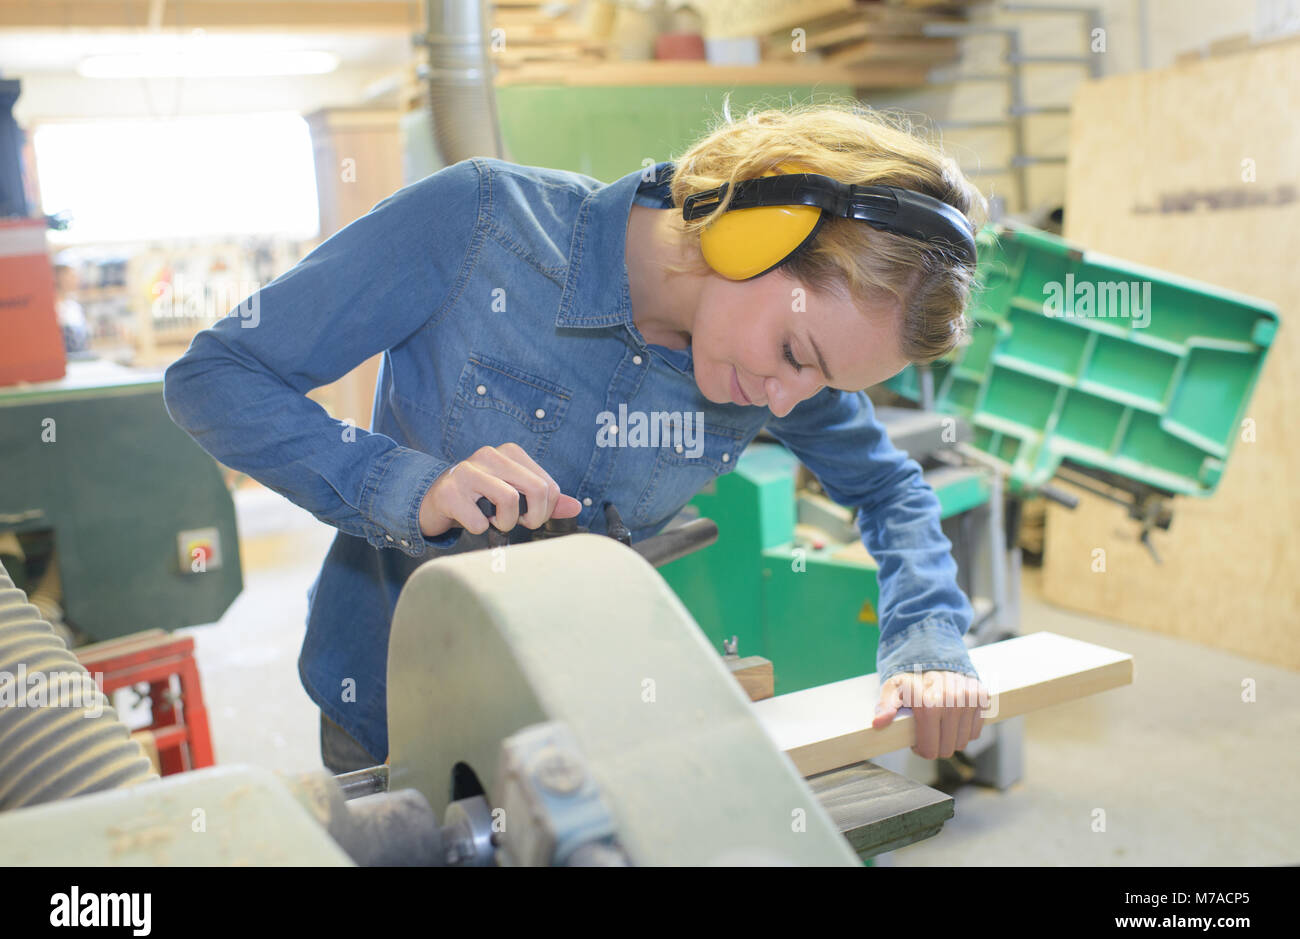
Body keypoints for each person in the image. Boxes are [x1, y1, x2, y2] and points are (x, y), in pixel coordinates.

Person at [164, 98, 990, 774]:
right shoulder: (480, 225)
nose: (786, 396)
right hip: (389, 707)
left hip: (587, 716)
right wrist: (410, 487)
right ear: (754, 225)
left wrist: (929, 641)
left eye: (824, 382)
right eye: (792, 354)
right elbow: (216, 377)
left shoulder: (777, 369)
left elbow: (889, 487)